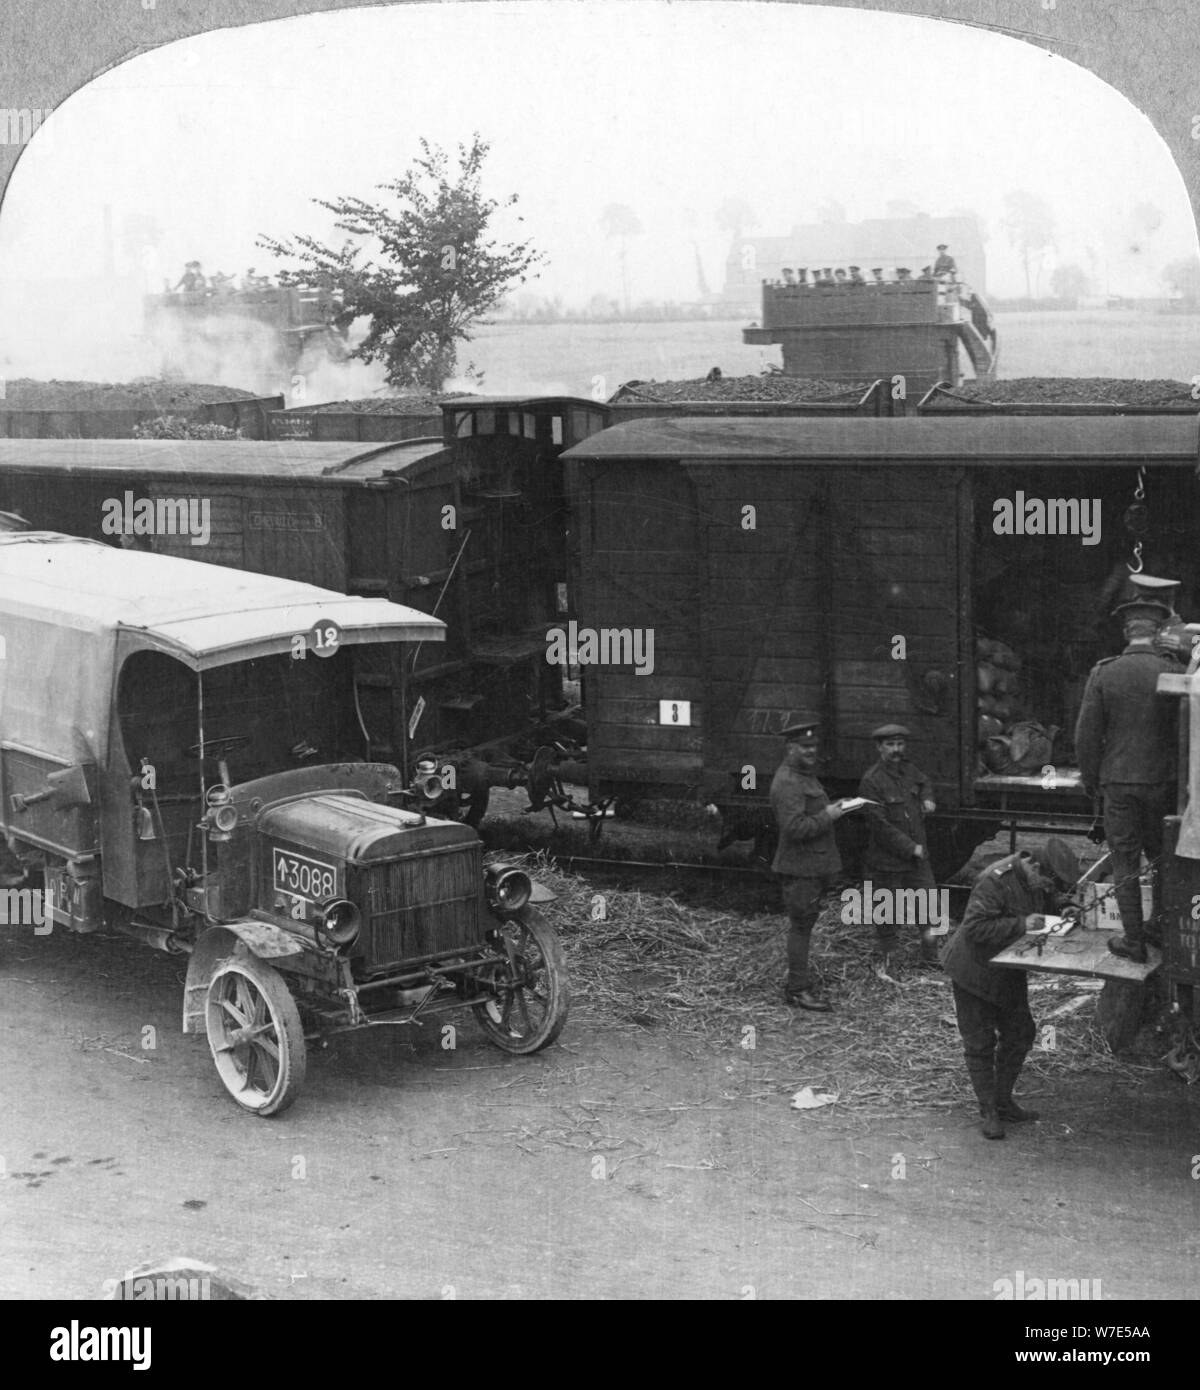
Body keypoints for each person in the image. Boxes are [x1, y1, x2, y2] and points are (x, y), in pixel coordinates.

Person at [943, 838, 1078, 1139]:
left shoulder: (1034, 874)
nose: (1046, 887)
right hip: (974, 971)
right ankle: (988, 1109)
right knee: (979, 1043)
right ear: (1035, 866)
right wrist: (1022, 924)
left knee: (1021, 1033)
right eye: (1045, 882)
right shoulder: (993, 880)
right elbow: (975, 929)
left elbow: (1050, 897)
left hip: (1007, 969)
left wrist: (1066, 907)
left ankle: (1003, 1101)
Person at [1075, 597, 1177, 962]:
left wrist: (1091, 780)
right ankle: (1160, 929)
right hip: (1162, 783)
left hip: (1118, 784)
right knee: (1163, 857)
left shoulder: (1104, 672)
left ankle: (1133, 941)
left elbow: (1086, 736)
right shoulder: (1172, 669)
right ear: (1158, 632)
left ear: (1126, 631)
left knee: (1125, 860)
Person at [770, 715, 863, 1011]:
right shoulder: (787, 782)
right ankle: (798, 991)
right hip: (801, 868)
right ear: (790, 748)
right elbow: (795, 828)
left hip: (810, 866)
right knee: (800, 928)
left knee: (804, 925)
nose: (811, 752)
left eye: (813, 747)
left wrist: (833, 807)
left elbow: (810, 812)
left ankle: (799, 985)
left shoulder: (803, 776)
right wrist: (830, 815)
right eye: (804, 747)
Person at [858, 723, 939, 973]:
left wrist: (928, 798)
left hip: (916, 859)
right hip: (887, 861)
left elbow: (924, 781)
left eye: (900, 744)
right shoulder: (871, 782)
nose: (896, 750)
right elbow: (880, 827)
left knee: (930, 908)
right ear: (879, 748)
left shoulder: (909, 770)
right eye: (890, 745)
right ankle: (890, 962)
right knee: (887, 914)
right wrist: (911, 848)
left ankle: (930, 958)